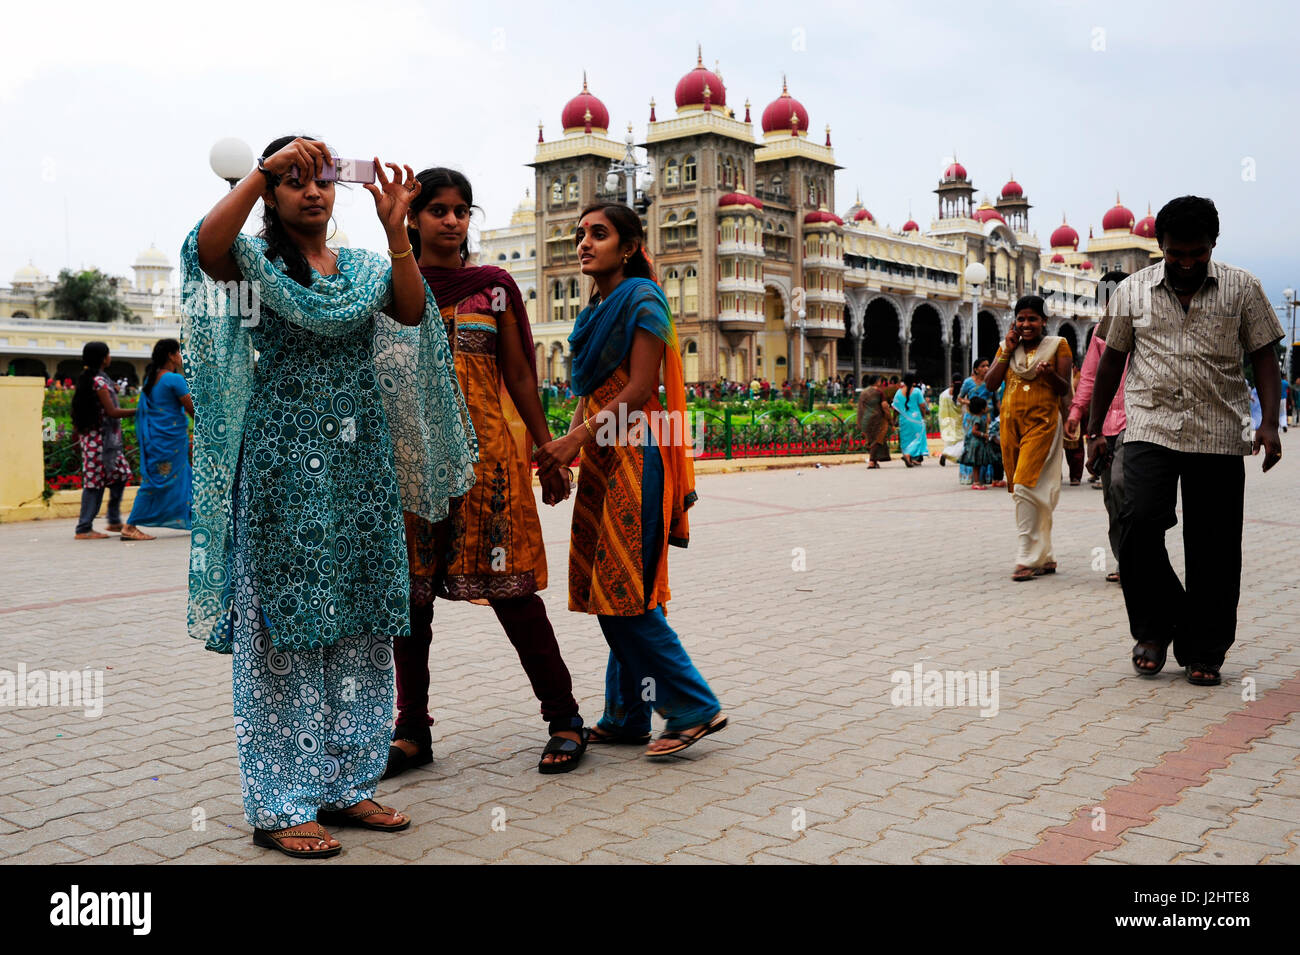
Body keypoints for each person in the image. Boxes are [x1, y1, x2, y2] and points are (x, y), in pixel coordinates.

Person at [186, 135, 476, 858]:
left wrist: (394, 229)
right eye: (294, 181)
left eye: (320, 180)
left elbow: (411, 314)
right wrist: (259, 171)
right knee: (286, 626)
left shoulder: (366, 267)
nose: (311, 191)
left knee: (362, 621)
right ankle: (281, 802)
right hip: (283, 466)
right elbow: (204, 248)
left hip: (359, 465)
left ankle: (347, 784)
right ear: (272, 194)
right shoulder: (251, 265)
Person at [389, 167, 586, 777]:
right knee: (410, 605)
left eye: (463, 210)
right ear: (413, 217)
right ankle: (412, 731)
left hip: (488, 464)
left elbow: (521, 374)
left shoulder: (495, 288)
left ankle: (565, 720)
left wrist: (548, 451)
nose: (452, 220)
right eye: (439, 210)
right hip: (413, 464)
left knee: (515, 597)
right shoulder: (391, 283)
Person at [533, 201, 726, 758]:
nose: (584, 243)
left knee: (623, 594)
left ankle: (693, 705)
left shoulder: (642, 299)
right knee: (614, 588)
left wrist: (575, 440)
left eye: (599, 234)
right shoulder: (595, 310)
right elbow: (590, 393)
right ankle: (624, 713)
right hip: (601, 455)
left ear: (628, 245)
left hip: (636, 458)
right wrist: (566, 454)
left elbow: (639, 389)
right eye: (579, 234)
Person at [1086, 196, 1283, 686]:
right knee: (1138, 525)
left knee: (1214, 546)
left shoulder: (1243, 288)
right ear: (1161, 247)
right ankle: (1156, 628)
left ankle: (1204, 648)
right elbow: (1110, 362)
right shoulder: (1132, 291)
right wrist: (1093, 431)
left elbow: (1264, 356)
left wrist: (1270, 424)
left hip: (1219, 430)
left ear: (1213, 244)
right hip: (1151, 427)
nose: (1188, 263)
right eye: (1178, 254)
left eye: (1198, 253)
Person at [984, 295, 1073, 581]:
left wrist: (1047, 377)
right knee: (1034, 491)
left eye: (1032, 318)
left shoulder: (1058, 346)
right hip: (1012, 427)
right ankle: (1046, 556)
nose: (1026, 324)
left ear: (1044, 321)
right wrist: (1007, 350)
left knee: (1025, 486)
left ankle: (1026, 557)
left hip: (1044, 424)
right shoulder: (1006, 347)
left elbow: (1063, 389)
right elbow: (991, 383)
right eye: (1021, 318)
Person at [1068, 270, 1130, 583]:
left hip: (1140, 423)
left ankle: (1140, 557)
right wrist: (1077, 413)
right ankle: (1124, 559)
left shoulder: (1148, 330)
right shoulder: (1099, 333)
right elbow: (1090, 377)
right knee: (1111, 495)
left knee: (1122, 484)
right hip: (1106, 424)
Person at [71, 342, 143, 540]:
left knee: (120, 474)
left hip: (99, 440)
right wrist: (139, 411)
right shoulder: (99, 382)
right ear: (103, 358)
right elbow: (112, 411)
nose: (110, 357)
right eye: (108, 354)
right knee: (94, 483)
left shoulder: (92, 380)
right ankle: (83, 528)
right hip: (100, 441)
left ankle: (113, 520)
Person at [124, 338, 195, 537]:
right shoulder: (174, 379)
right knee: (155, 483)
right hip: (169, 442)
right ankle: (130, 526)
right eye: (179, 353)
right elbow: (192, 410)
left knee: (184, 476)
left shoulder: (151, 379)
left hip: (157, 440)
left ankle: (194, 519)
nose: (181, 357)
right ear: (171, 356)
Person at [960, 394, 999, 489]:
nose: (987, 408)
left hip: (978, 443)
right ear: (981, 409)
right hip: (976, 444)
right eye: (985, 406)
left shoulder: (978, 417)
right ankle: (976, 482)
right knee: (976, 464)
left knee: (977, 464)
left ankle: (977, 481)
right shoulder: (978, 419)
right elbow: (974, 431)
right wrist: (984, 435)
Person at [892, 373, 928, 467]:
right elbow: (923, 406)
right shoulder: (916, 391)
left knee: (906, 440)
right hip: (916, 420)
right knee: (918, 439)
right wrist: (923, 416)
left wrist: (893, 420)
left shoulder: (898, 392)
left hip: (903, 420)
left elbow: (895, 409)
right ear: (913, 381)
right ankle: (908, 455)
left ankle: (907, 456)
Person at [856, 375, 893, 467]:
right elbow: (885, 406)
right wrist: (890, 419)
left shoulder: (863, 392)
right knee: (878, 440)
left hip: (865, 419)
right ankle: (872, 461)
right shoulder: (879, 392)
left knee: (870, 439)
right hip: (877, 419)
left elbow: (860, 408)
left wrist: (860, 422)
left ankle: (875, 461)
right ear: (877, 381)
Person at [938, 373, 965, 470]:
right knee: (961, 441)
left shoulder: (943, 394)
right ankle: (947, 453)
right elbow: (964, 409)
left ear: (951, 382)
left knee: (950, 442)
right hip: (959, 422)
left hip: (947, 421)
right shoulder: (962, 394)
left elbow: (941, 410)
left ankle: (948, 453)